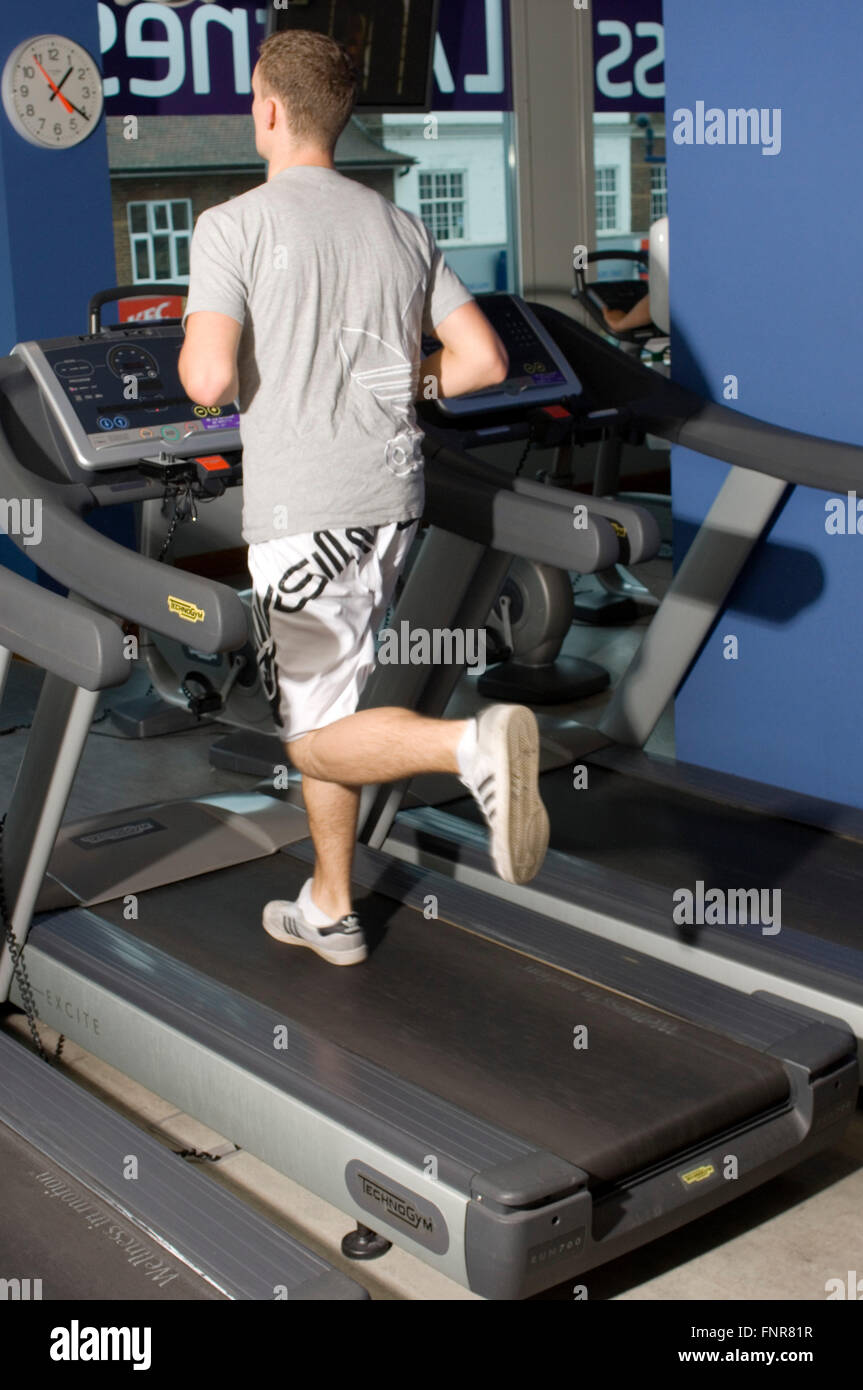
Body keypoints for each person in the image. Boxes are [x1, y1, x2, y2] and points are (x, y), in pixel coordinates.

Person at [178, 30, 549, 968]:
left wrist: (201, 364)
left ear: (267, 108)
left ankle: (471, 745)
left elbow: (209, 379)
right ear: (336, 115)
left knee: (308, 744)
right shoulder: (399, 226)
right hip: (389, 501)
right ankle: (332, 905)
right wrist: (392, 387)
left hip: (304, 515)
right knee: (331, 709)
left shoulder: (234, 224)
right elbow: (480, 362)